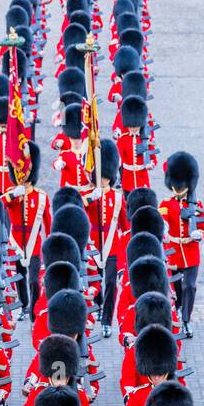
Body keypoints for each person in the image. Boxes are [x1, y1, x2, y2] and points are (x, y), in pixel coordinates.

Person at [160, 151, 204, 339]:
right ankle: (178, 310)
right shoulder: (166, 202)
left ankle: (186, 320)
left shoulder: (196, 205)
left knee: (190, 286)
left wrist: (199, 234)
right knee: (177, 288)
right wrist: (162, 226)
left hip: (191, 251)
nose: (177, 190)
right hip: (173, 252)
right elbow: (162, 216)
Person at [83, 138, 127, 337]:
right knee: (95, 283)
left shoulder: (118, 197)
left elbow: (125, 228)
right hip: (92, 244)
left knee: (110, 283)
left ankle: (107, 320)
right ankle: (99, 307)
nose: (102, 180)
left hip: (112, 246)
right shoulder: (87, 195)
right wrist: (89, 198)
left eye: (105, 177)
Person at [4, 141, 52, 317]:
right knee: (20, 276)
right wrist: (13, 193)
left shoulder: (41, 196)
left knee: (34, 280)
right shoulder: (11, 193)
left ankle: (33, 311)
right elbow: (0, 203)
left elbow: (48, 223)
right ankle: (24, 305)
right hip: (16, 241)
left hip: (34, 242)